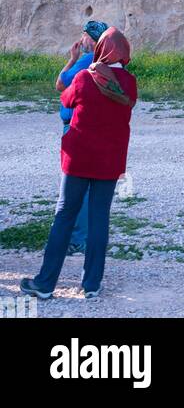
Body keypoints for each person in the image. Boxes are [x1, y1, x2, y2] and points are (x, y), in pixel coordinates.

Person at [21, 27, 137, 301]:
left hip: (78, 160)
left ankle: (45, 283)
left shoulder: (86, 77)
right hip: (109, 162)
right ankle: (92, 284)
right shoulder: (129, 83)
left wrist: (75, 64)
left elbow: (65, 98)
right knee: (99, 219)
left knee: (64, 216)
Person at [55, 20, 109, 254]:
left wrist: (72, 59)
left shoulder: (88, 60)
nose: (82, 39)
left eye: (85, 35)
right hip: (94, 129)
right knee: (89, 186)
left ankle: (76, 239)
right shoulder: (107, 62)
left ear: (92, 39)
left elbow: (60, 84)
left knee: (73, 186)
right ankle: (85, 237)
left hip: (76, 128)